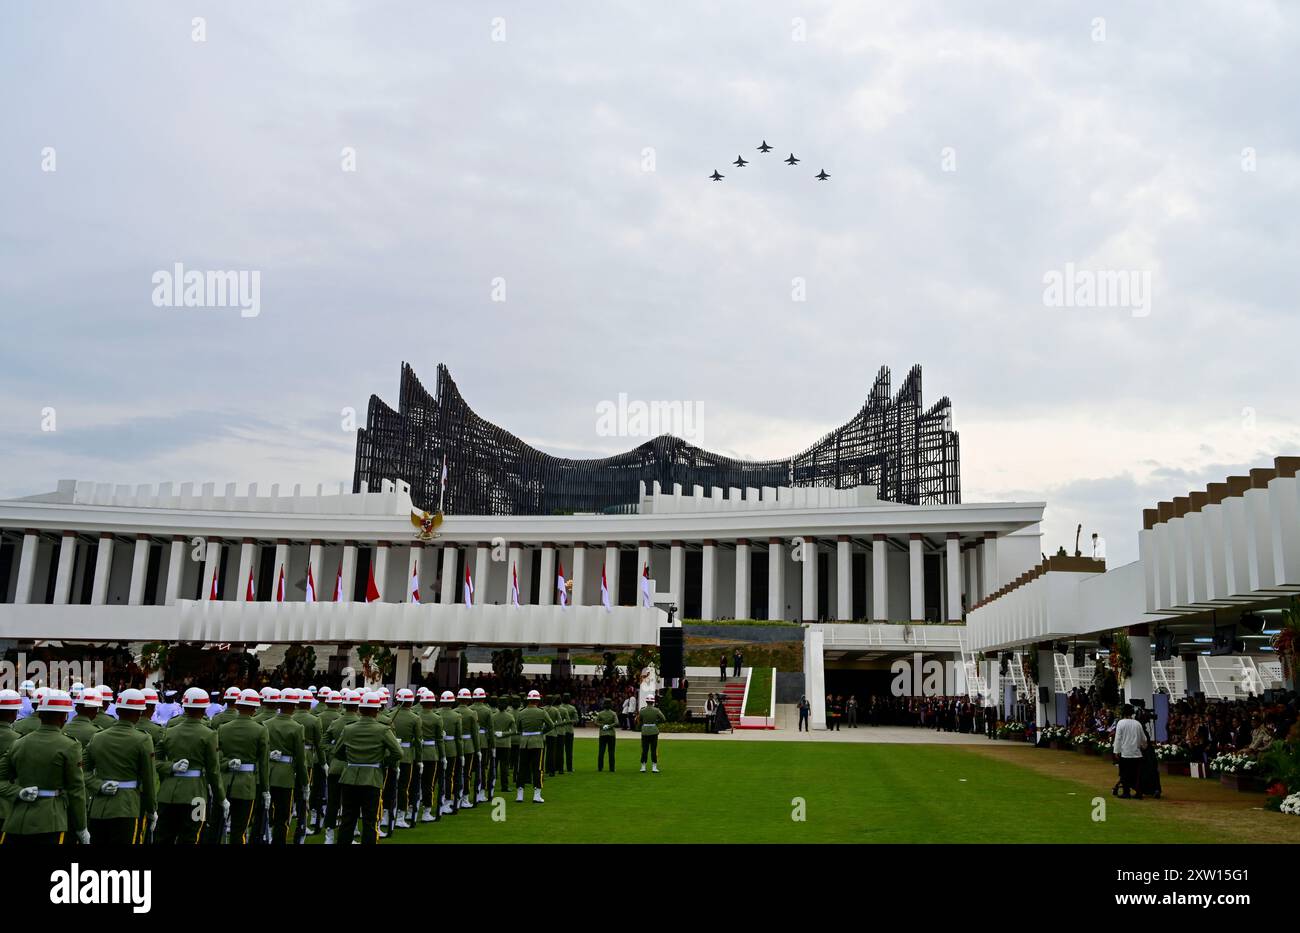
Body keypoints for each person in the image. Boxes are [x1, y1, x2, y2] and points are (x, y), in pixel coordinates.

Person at [0, 689, 89, 845]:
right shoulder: (70, 746)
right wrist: (81, 827)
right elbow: (76, 791)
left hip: (18, 821)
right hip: (51, 821)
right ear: (64, 717)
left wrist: (18, 792)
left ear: (40, 714)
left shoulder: (18, 743)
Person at [85, 688, 157, 845]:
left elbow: (83, 771)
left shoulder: (97, 737)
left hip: (99, 807)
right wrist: (151, 809)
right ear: (139, 714)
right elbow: (149, 778)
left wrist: (99, 785)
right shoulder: (143, 739)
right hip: (127, 807)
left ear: (117, 710)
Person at [155, 686, 226, 844]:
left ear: (184, 707)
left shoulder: (169, 731)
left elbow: (156, 762)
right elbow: (213, 770)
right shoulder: (209, 734)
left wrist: (170, 767)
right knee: (193, 836)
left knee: (164, 837)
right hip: (197, 796)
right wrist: (221, 797)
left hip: (168, 794)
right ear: (205, 708)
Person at [334, 691, 402, 844]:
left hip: (350, 776)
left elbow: (337, 753)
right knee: (370, 821)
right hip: (371, 778)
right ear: (376, 710)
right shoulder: (383, 729)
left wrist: (353, 760)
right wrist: (383, 761)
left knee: (347, 820)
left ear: (360, 709)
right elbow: (398, 753)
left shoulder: (349, 728)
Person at [217, 688, 270, 845]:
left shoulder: (223, 728)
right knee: (240, 829)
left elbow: (217, 757)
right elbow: (264, 763)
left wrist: (227, 764)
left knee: (219, 827)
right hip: (246, 785)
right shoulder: (261, 730)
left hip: (225, 781)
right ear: (255, 708)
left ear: (238, 706)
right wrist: (266, 789)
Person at [266, 688, 307, 844]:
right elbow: (300, 759)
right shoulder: (297, 727)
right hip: (285, 776)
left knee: (265, 812)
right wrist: (304, 782)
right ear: (294, 705)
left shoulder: (266, 724)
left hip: (268, 771)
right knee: (282, 817)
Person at [513, 689, 552, 803]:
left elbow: (518, 728)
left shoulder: (521, 712)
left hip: (524, 743)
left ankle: (520, 794)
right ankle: (537, 794)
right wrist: (542, 732)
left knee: (522, 768)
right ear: (537, 700)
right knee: (538, 769)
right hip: (537, 742)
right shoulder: (542, 712)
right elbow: (551, 725)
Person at [416, 687, 444, 823]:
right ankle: (426, 810)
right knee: (429, 783)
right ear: (433, 703)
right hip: (431, 754)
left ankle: (411, 809)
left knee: (414, 783)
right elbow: (439, 740)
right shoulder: (436, 718)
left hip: (416, 753)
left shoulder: (416, 716)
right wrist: (443, 756)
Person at [1112, 704, 1147, 799]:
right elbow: (1143, 738)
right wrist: (1143, 746)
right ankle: (1139, 792)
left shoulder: (1121, 723)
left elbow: (1118, 738)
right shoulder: (1137, 723)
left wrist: (1116, 751)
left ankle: (1126, 792)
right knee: (1136, 775)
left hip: (1126, 753)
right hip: (1136, 753)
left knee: (1124, 774)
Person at [637, 694, 666, 773]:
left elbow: (639, 720)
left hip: (645, 731)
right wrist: (656, 721)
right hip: (654, 730)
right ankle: (654, 767)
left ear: (646, 701)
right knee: (654, 749)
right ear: (653, 702)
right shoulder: (656, 710)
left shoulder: (642, 710)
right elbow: (663, 718)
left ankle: (643, 766)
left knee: (644, 749)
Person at [595, 698, 618, 772]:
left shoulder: (601, 713)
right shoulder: (613, 713)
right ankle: (612, 768)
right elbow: (616, 722)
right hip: (611, 734)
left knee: (601, 751)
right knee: (611, 752)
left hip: (602, 734)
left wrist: (602, 726)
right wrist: (610, 726)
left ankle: (600, 767)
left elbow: (595, 722)